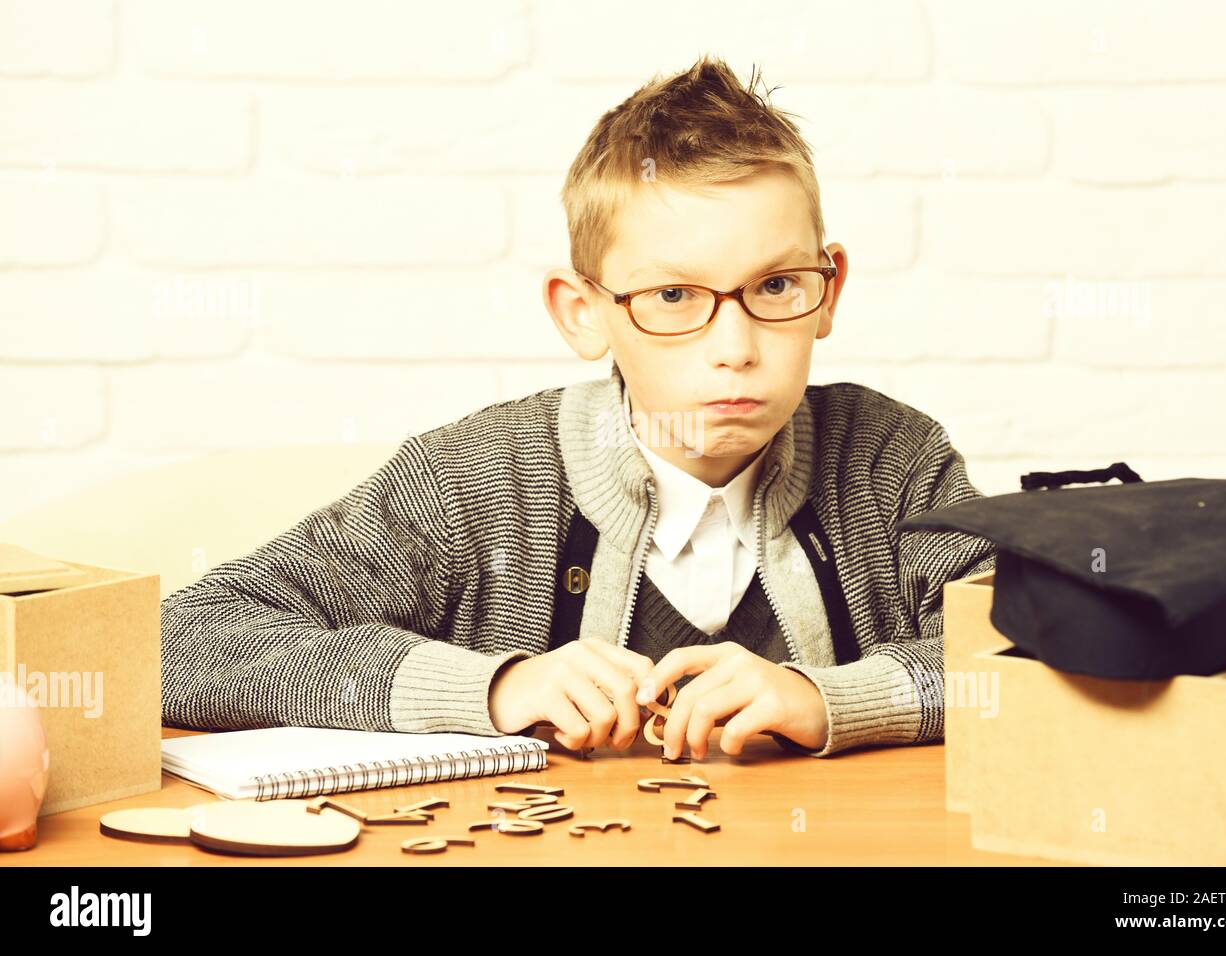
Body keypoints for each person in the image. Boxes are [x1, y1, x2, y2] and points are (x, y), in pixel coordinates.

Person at [160, 55, 996, 760]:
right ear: (583, 313)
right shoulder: (474, 482)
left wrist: (831, 701)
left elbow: (1033, 658)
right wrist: (496, 685)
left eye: (775, 285)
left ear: (829, 289)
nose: (735, 345)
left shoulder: (896, 462)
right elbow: (179, 643)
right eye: (674, 295)